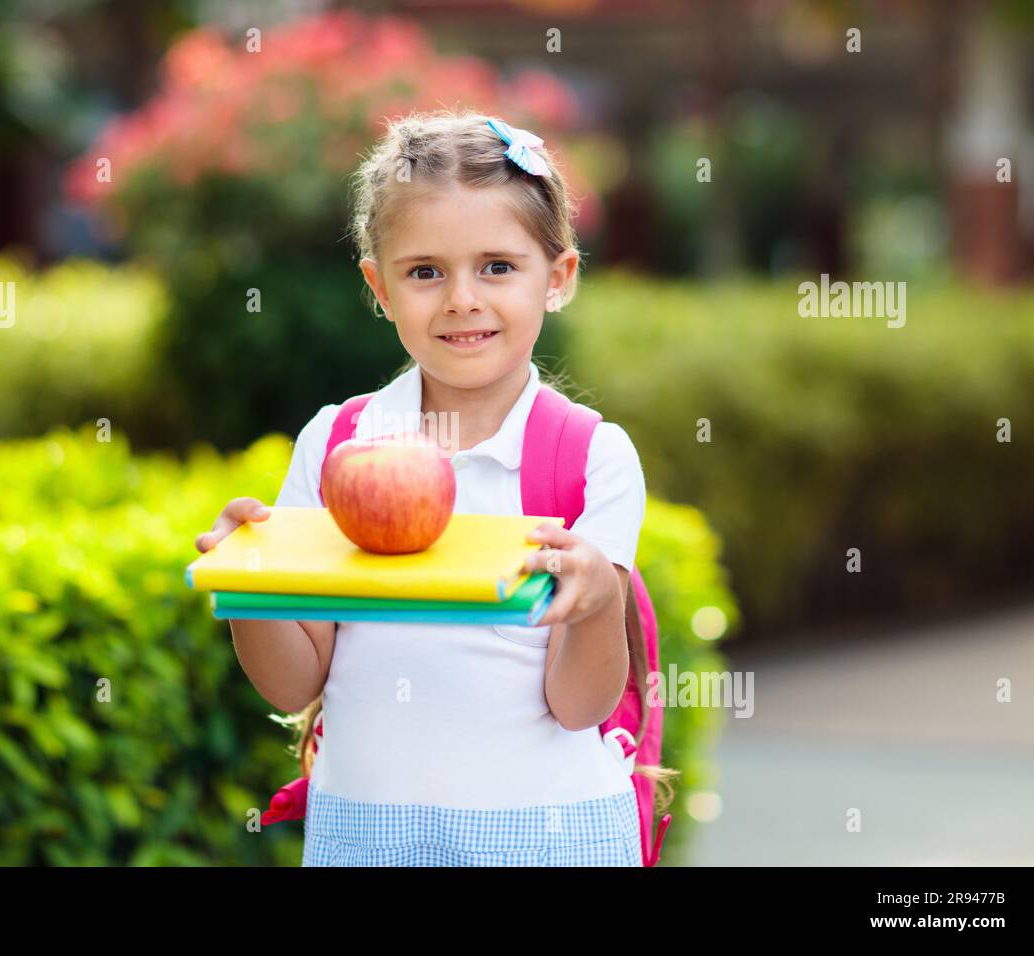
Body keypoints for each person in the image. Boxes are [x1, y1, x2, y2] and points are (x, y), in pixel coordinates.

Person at [195, 109, 675, 865]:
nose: (461, 298)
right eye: (425, 272)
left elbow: (579, 704)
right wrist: (249, 588)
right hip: (367, 833)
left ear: (559, 278)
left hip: (550, 836)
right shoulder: (337, 445)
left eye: (497, 266)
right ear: (378, 287)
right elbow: (293, 684)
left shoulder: (590, 458)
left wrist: (598, 602)